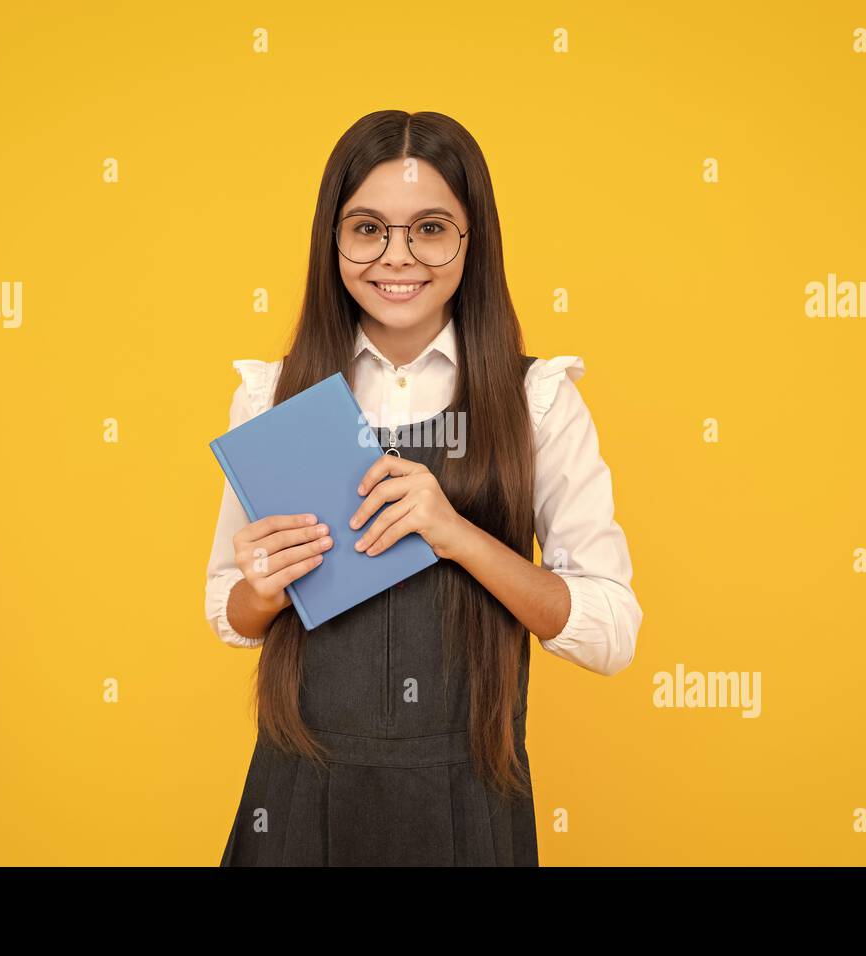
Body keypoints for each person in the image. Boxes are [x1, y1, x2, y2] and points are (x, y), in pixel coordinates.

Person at [204, 110, 644, 865]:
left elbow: (613, 631)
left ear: (472, 241)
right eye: (367, 228)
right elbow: (229, 611)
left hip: (465, 799)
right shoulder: (274, 397)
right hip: (300, 791)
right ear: (333, 241)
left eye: (431, 228)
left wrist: (459, 536)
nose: (396, 257)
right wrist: (264, 587)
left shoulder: (536, 399)